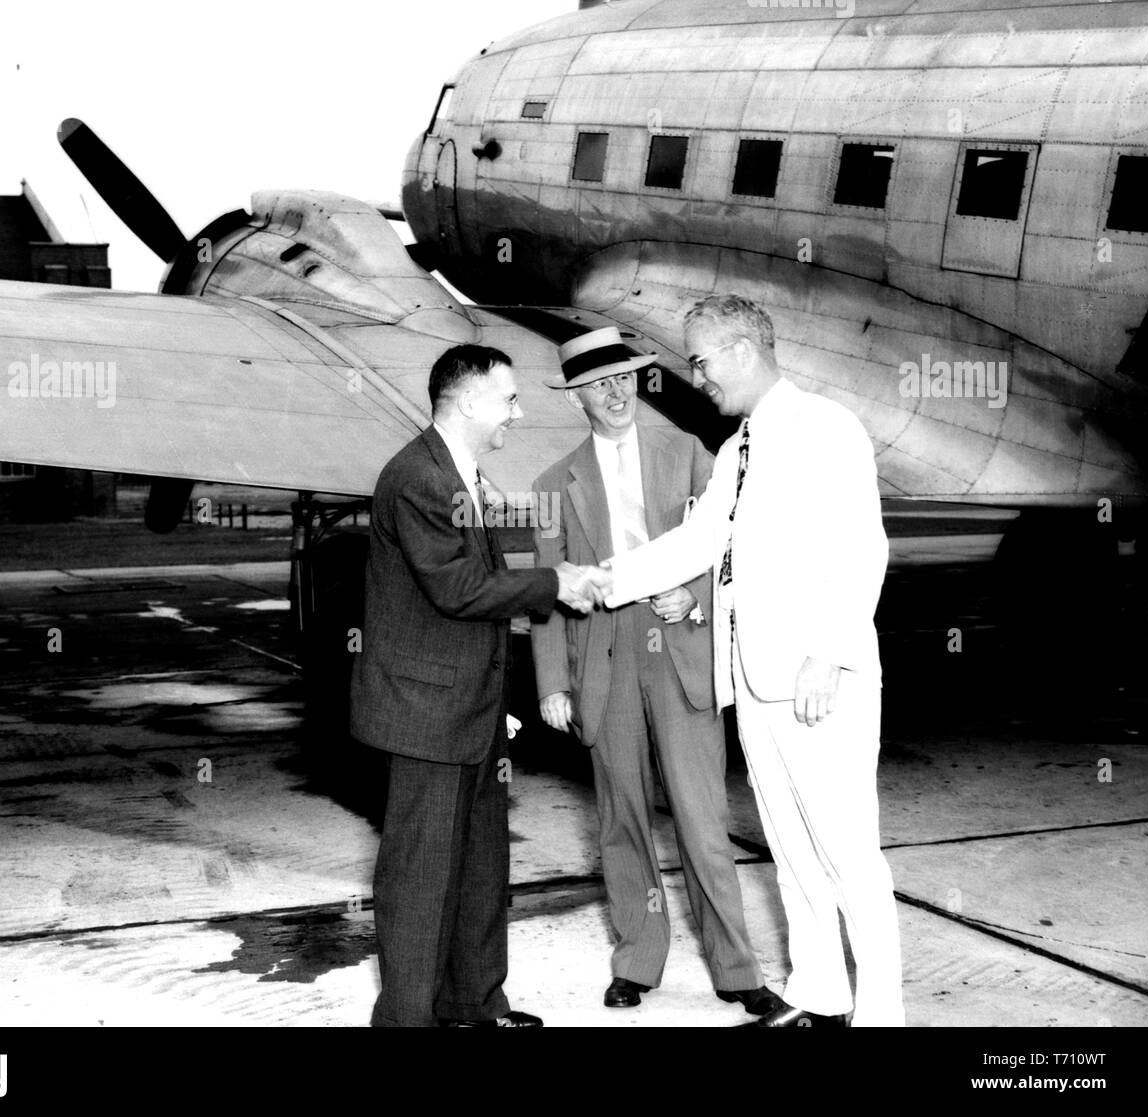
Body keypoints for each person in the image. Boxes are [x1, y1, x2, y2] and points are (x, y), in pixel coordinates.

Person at [602, 295, 905, 1027]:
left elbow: (864, 547)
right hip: (755, 683)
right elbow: (699, 543)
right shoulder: (739, 449)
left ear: (741, 350)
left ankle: (882, 1013)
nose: (697, 377)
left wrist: (827, 655)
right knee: (794, 853)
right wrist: (605, 580)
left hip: (816, 679)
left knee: (846, 851)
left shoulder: (825, 428)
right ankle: (820, 992)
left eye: (701, 362)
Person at [350, 343, 605, 1028]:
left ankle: (473, 1003)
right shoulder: (420, 478)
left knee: (479, 867)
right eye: (509, 399)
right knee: (421, 875)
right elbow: (458, 588)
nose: (518, 414)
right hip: (424, 713)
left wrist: (499, 703)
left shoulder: (457, 472)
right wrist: (557, 582)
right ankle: (406, 1019)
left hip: (468, 708)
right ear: (466, 401)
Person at [530, 326, 780, 1017]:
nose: (614, 394)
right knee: (622, 818)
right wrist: (552, 681)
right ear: (578, 396)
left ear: (638, 382)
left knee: (703, 821)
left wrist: (694, 597)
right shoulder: (554, 483)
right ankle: (637, 958)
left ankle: (737, 967)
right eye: (597, 385)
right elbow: (547, 592)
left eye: (623, 379)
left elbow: (728, 547)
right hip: (602, 659)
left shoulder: (691, 454)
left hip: (677, 648)